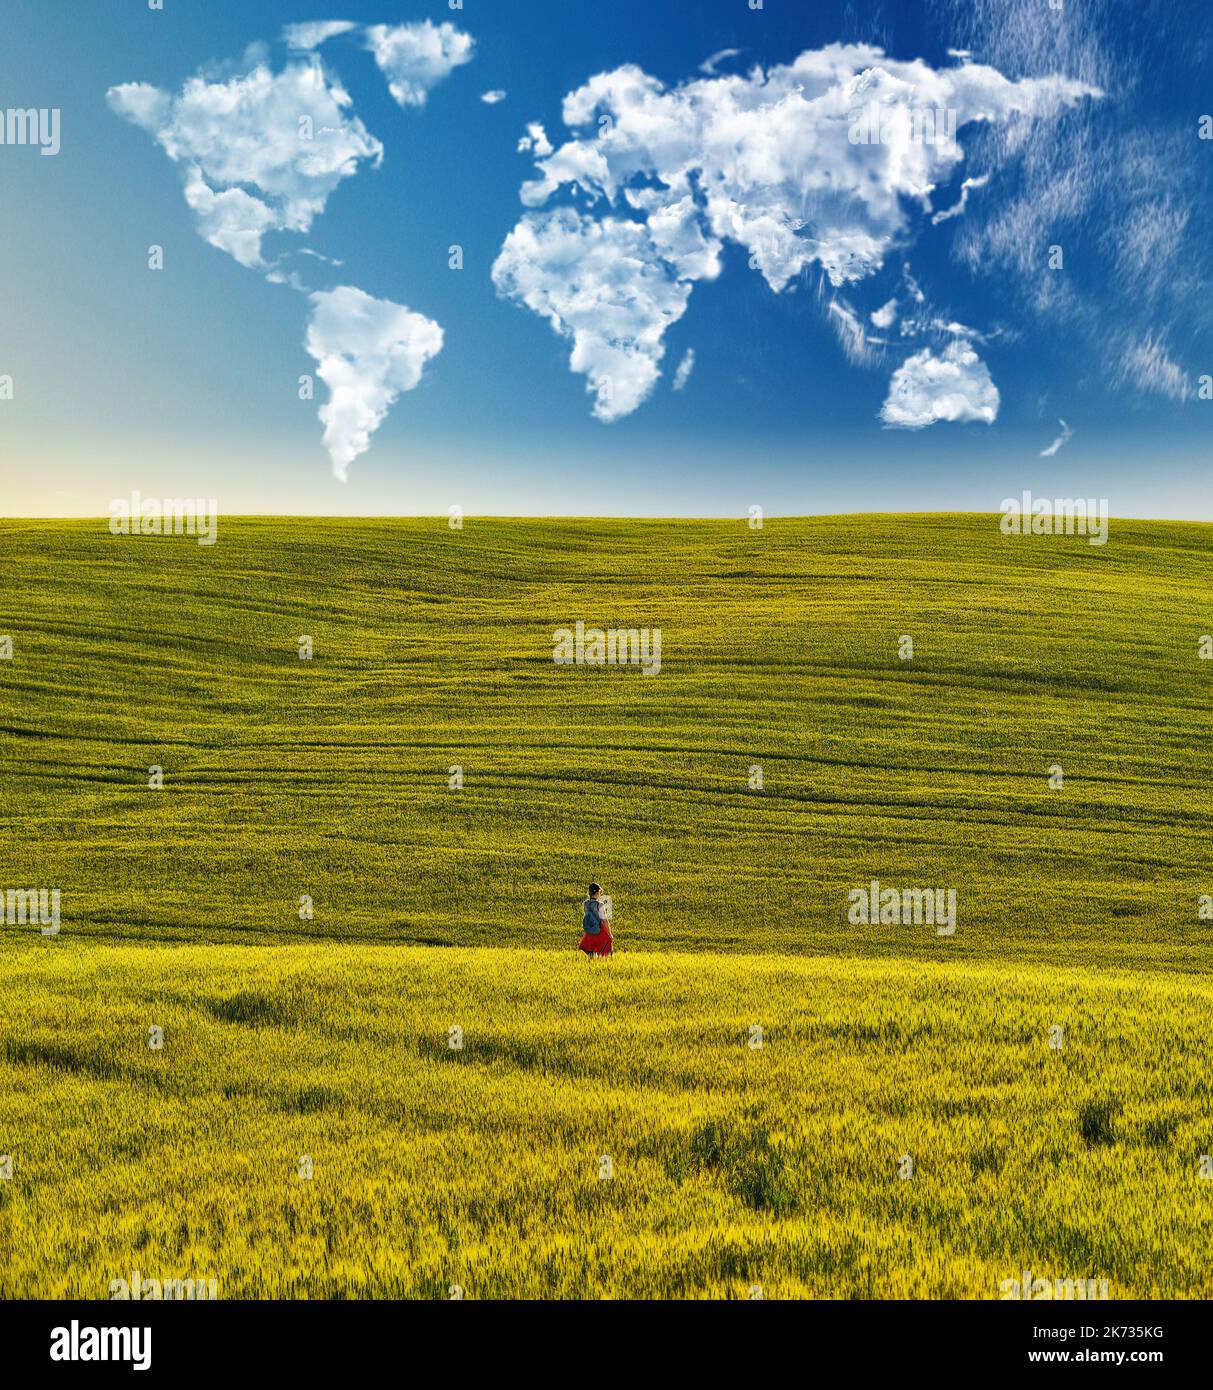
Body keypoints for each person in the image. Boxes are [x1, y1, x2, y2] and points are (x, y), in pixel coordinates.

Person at [579, 882, 614, 958]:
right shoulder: (600, 904)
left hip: (590, 930)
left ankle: (590, 964)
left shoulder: (585, 904)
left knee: (591, 950)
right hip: (599, 930)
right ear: (597, 892)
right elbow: (604, 920)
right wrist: (609, 934)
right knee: (607, 945)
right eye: (600, 892)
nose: (600, 894)